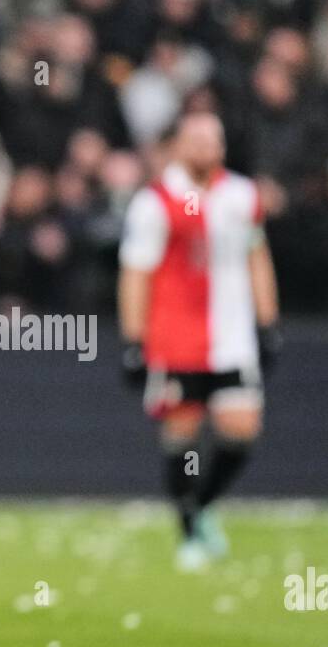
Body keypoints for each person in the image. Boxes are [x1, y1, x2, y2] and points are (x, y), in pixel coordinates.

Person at [118, 112, 282, 572]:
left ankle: (203, 505)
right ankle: (189, 530)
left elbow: (257, 256)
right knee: (182, 436)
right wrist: (134, 340)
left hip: (232, 337)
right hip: (176, 340)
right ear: (179, 146)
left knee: (241, 430)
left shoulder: (242, 196)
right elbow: (136, 273)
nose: (206, 148)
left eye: (214, 140)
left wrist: (268, 322)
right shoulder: (157, 201)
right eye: (197, 140)